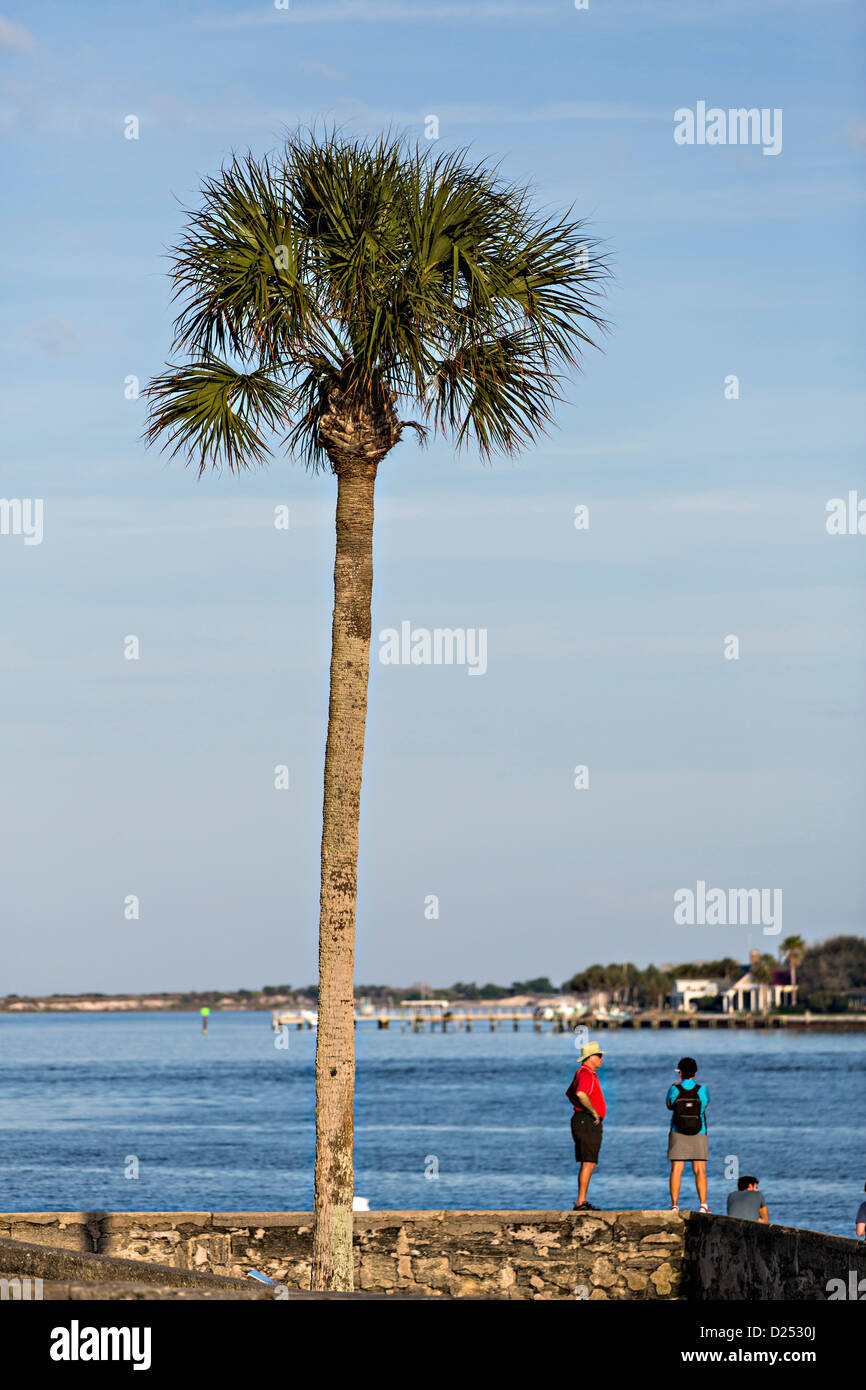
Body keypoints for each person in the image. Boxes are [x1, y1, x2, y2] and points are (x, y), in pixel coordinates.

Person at [666, 1056, 710, 1213]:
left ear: (680, 1073)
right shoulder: (702, 1090)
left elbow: (669, 1105)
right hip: (699, 1131)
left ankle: (674, 1205)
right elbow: (705, 1105)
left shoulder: (674, 1089)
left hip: (678, 1131)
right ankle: (703, 1205)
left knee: (677, 1169)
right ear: (695, 1073)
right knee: (700, 1170)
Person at [566, 1041, 606, 1211]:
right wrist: (593, 1111)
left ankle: (582, 1200)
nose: (602, 1059)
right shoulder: (587, 1074)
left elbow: (570, 1093)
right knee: (588, 1161)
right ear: (590, 1058)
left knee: (589, 1161)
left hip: (583, 1119)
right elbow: (580, 1093)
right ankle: (581, 1201)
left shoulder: (582, 1073)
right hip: (587, 1120)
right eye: (599, 1056)